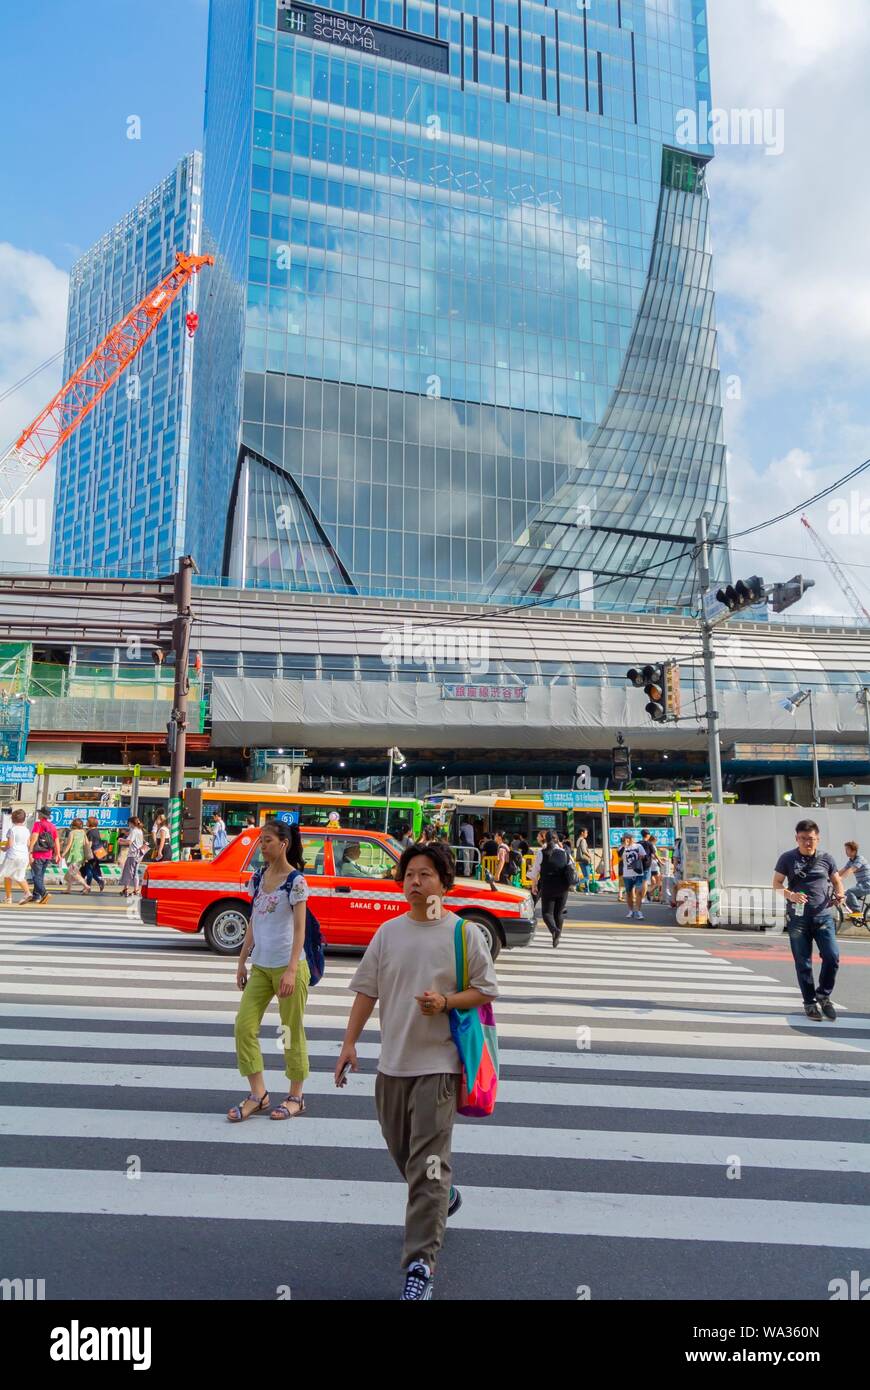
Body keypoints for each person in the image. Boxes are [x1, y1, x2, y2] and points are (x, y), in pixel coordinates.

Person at [335, 839, 498, 1301]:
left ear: (444, 882)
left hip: (440, 1065)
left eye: (425, 874)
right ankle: (444, 1198)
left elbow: (486, 989)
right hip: (393, 1065)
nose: (415, 882)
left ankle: (420, 1267)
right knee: (404, 1155)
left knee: (426, 1168)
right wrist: (349, 1044)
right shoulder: (388, 932)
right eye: (409, 874)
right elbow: (367, 990)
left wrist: (446, 1001)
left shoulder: (463, 934)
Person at [228, 818, 311, 1123]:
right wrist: (241, 960)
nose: (261, 846)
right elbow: (254, 922)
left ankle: (296, 1096)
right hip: (261, 967)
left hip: (290, 968)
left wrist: (291, 970)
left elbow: (300, 931)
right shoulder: (259, 878)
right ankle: (258, 1094)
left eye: (267, 841)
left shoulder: (296, 882)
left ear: (283, 844)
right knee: (243, 1026)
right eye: (261, 841)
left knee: (289, 1032)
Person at [773, 819, 845, 1021]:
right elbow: (776, 884)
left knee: (832, 957)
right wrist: (791, 895)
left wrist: (840, 895)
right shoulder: (787, 858)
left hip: (824, 918)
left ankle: (824, 994)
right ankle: (810, 1003)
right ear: (797, 838)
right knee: (803, 963)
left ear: (818, 839)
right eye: (803, 839)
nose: (807, 843)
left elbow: (837, 882)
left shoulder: (827, 859)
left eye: (811, 839)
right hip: (798, 920)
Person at [530, 830, 573, 947]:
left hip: (548, 886)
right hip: (563, 888)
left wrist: (534, 886)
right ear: (557, 840)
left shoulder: (542, 852)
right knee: (558, 913)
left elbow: (535, 872)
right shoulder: (564, 852)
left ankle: (554, 930)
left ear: (546, 839)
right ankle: (556, 938)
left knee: (547, 914)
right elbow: (571, 867)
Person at [25, 807, 60, 905]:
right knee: (40, 875)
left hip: (38, 854)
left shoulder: (38, 824)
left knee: (36, 876)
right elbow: (56, 840)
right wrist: (58, 854)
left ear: (41, 815)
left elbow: (34, 837)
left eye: (39, 813)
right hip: (48, 855)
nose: (38, 814)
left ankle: (44, 893)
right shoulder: (52, 826)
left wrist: (30, 851)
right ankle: (36, 896)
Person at [1, 809, 31, 904]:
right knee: (19, 876)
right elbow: (28, 843)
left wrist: (3, 848)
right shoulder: (26, 830)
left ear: (13, 819)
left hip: (13, 855)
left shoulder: (12, 830)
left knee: (5, 875)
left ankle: (8, 897)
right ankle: (27, 892)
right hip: (23, 856)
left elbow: (10, 844)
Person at [617, 833, 646, 920]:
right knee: (629, 893)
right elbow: (619, 855)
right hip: (627, 874)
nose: (630, 839)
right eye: (628, 838)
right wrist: (624, 845)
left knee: (639, 892)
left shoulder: (638, 846)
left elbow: (644, 856)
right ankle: (630, 910)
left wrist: (641, 857)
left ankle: (638, 911)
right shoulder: (622, 847)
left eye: (631, 838)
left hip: (638, 873)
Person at [839, 841, 870, 916]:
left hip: (867, 884)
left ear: (854, 851)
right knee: (847, 895)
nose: (846, 851)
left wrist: (840, 878)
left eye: (847, 849)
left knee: (850, 892)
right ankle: (854, 914)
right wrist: (831, 877)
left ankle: (857, 912)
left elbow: (851, 870)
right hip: (861, 884)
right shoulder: (850, 861)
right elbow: (842, 870)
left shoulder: (860, 859)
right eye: (845, 849)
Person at [119, 816, 146, 896]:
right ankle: (135, 889)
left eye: (129, 823)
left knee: (128, 872)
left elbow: (129, 842)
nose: (128, 825)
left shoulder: (134, 831)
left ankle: (126, 889)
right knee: (134, 872)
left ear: (131, 823)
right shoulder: (139, 830)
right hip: (139, 854)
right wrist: (122, 839)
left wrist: (120, 842)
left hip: (133, 854)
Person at [61, 818, 89, 893]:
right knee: (70, 872)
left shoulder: (72, 833)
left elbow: (69, 845)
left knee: (73, 873)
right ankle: (68, 889)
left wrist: (63, 853)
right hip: (81, 855)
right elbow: (86, 844)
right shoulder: (83, 832)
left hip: (74, 855)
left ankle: (86, 886)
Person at [81, 816, 107, 893]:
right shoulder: (96, 830)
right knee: (90, 870)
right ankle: (91, 885)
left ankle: (89, 886)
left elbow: (89, 844)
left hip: (92, 854)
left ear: (90, 823)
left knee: (89, 870)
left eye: (87, 821)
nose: (86, 823)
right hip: (98, 853)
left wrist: (86, 855)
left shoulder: (91, 832)